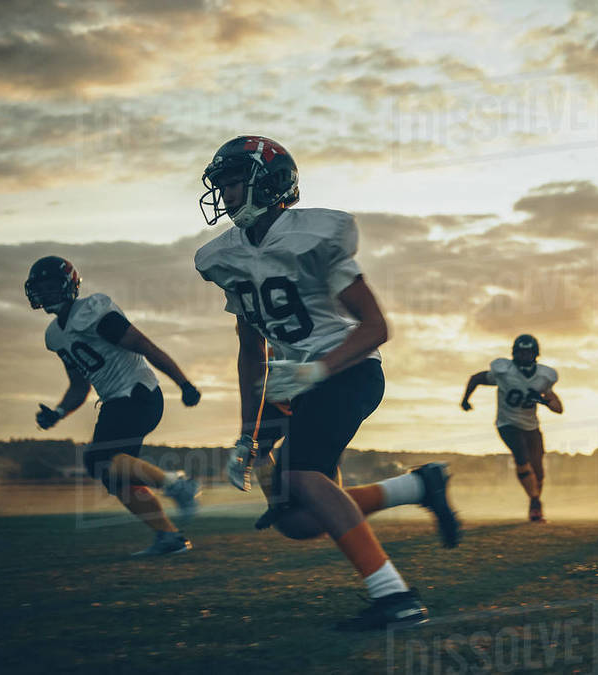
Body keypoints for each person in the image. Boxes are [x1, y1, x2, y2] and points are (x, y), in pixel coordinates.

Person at [195, 135, 460, 630]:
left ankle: (395, 597)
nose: (225, 195)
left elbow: (376, 327)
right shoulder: (224, 257)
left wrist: (319, 368)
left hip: (348, 371)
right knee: (298, 519)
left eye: (233, 183)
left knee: (299, 477)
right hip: (296, 385)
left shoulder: (315, 236)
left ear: (267, 183)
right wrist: (246, 434)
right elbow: (252, 350)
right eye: (222, 185)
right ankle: (419, 485)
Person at [26, 255, 202, 556]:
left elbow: (144, 345)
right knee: (112, 475)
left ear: (70, 285)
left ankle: (177, 485)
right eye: (42, 288)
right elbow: (80, 385)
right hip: (114, 401)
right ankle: (169, 537)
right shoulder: (54, 335)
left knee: (99, 461)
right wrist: (57, 413)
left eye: (53, 286)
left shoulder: (93, 312)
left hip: (138, 393)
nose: (48, 293)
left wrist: (183, 383)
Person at [461, 334, 562, 522]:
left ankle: (535, 500)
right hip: (507, 423)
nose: (525, 356)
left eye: (528, 352)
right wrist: (465, 399)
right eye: (521, 352)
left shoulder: (544, 377)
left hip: (531, 426)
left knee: (538, 470)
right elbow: (476, 378)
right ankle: (534, 502)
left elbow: (559, 408)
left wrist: (544, 400)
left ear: (535, 354)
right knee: (521, 456)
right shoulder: (504, 371)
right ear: (515, 353)